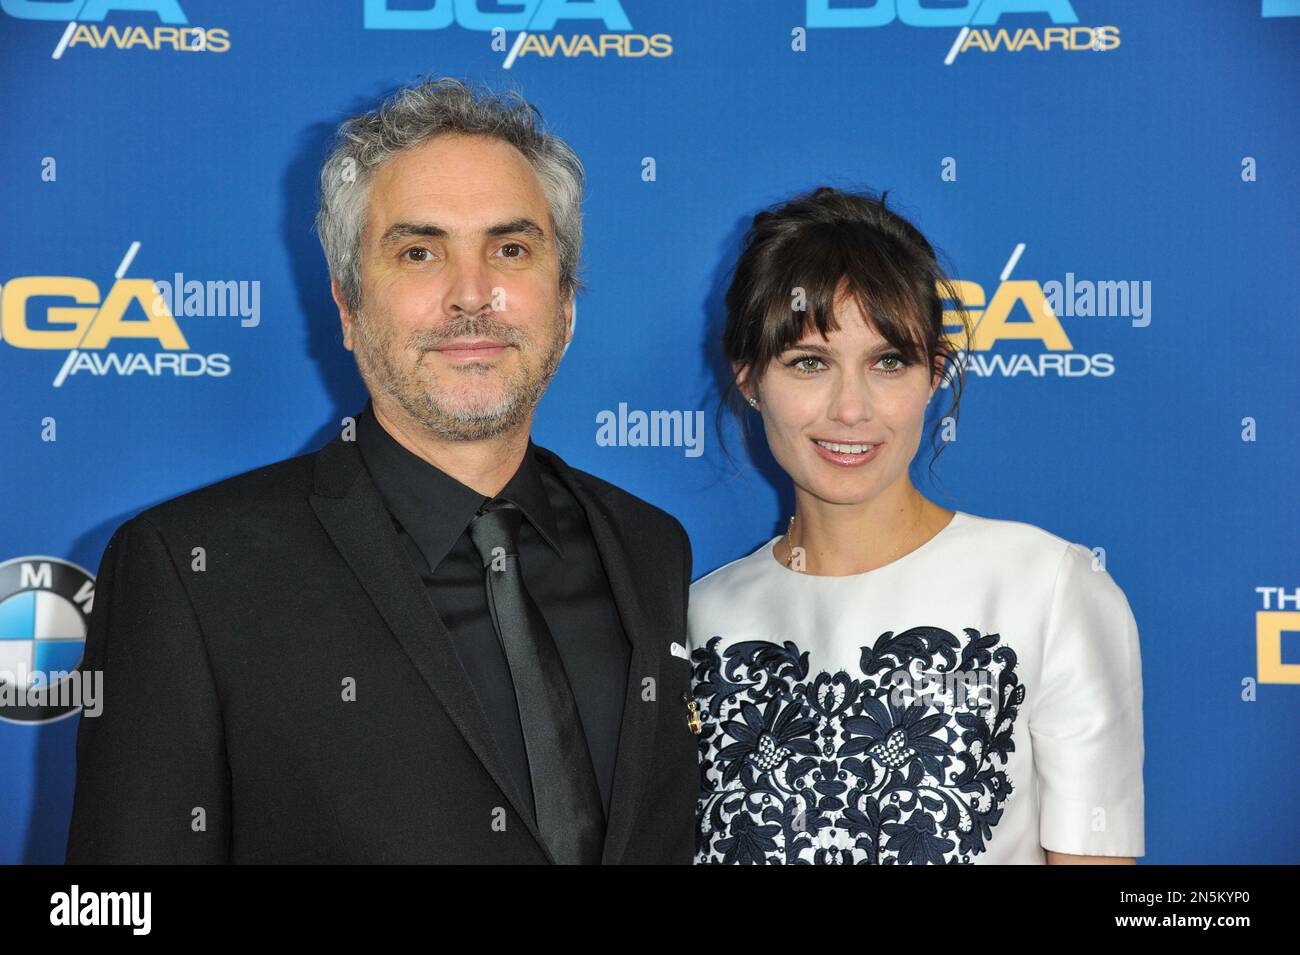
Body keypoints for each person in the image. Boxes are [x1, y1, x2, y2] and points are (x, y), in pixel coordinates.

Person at [65, 78, 696, 864]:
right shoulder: (190, 571)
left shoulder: (649, 546)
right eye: (419, 251)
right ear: (348, 308)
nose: (473, 295)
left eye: (511, 248)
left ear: (565, 304)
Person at [688, 187, 1144, 864]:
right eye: (809, 362)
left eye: (887, 362)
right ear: (749, 379)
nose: (851, 409)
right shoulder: (702, 618)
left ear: (934, 373)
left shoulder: (1047, 589)